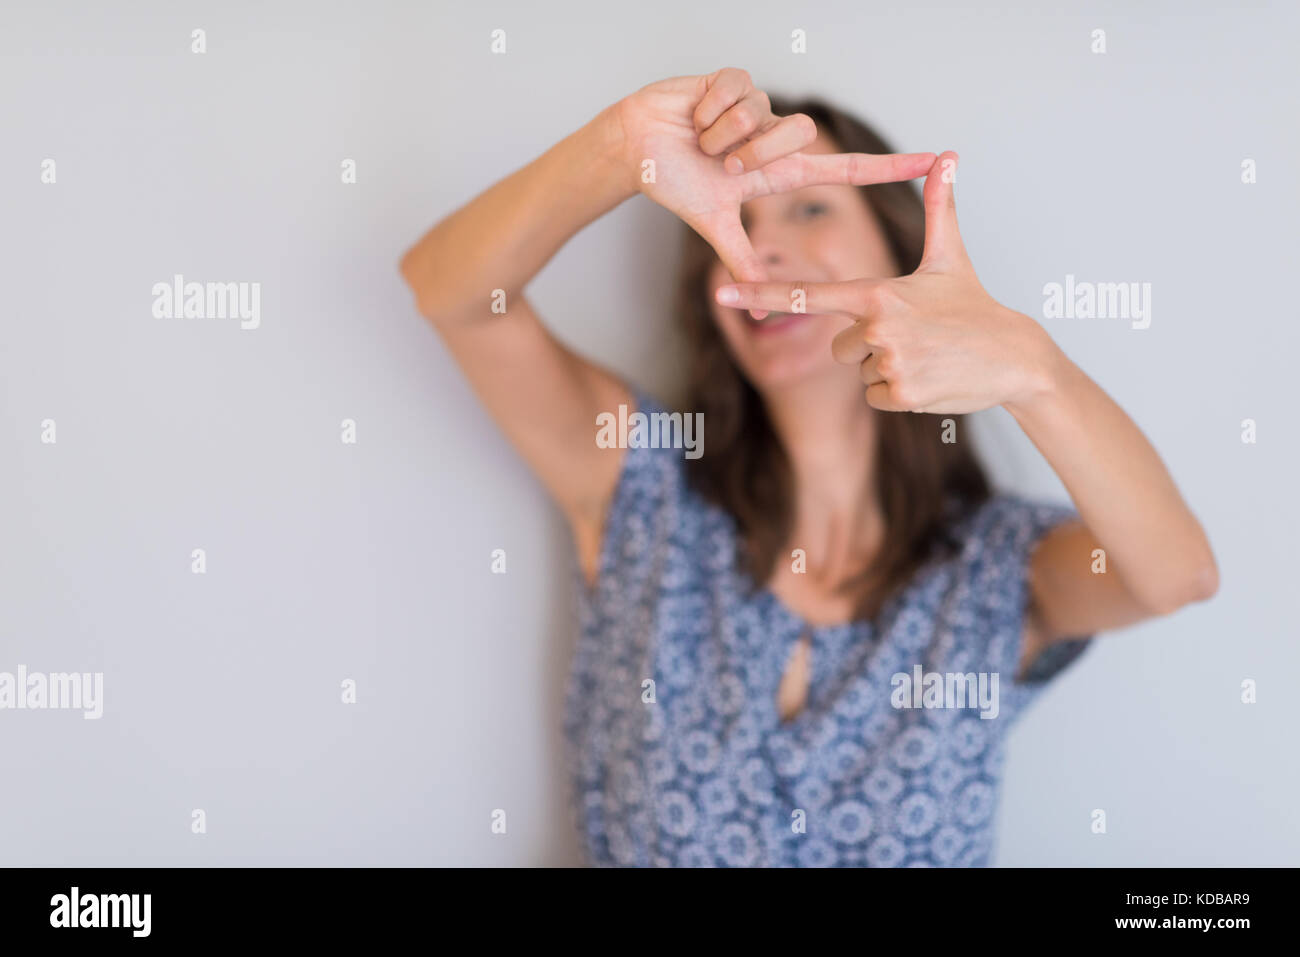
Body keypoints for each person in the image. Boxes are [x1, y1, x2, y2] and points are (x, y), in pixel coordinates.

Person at [399, 68, 1218, 866]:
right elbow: (450, 291)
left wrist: (1037, 370)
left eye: (811, 207)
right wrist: (619, 149)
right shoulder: (644, 481)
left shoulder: (996, 567)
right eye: (740, 223)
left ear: (901, 253)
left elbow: (1176, 574)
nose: (768, 249)